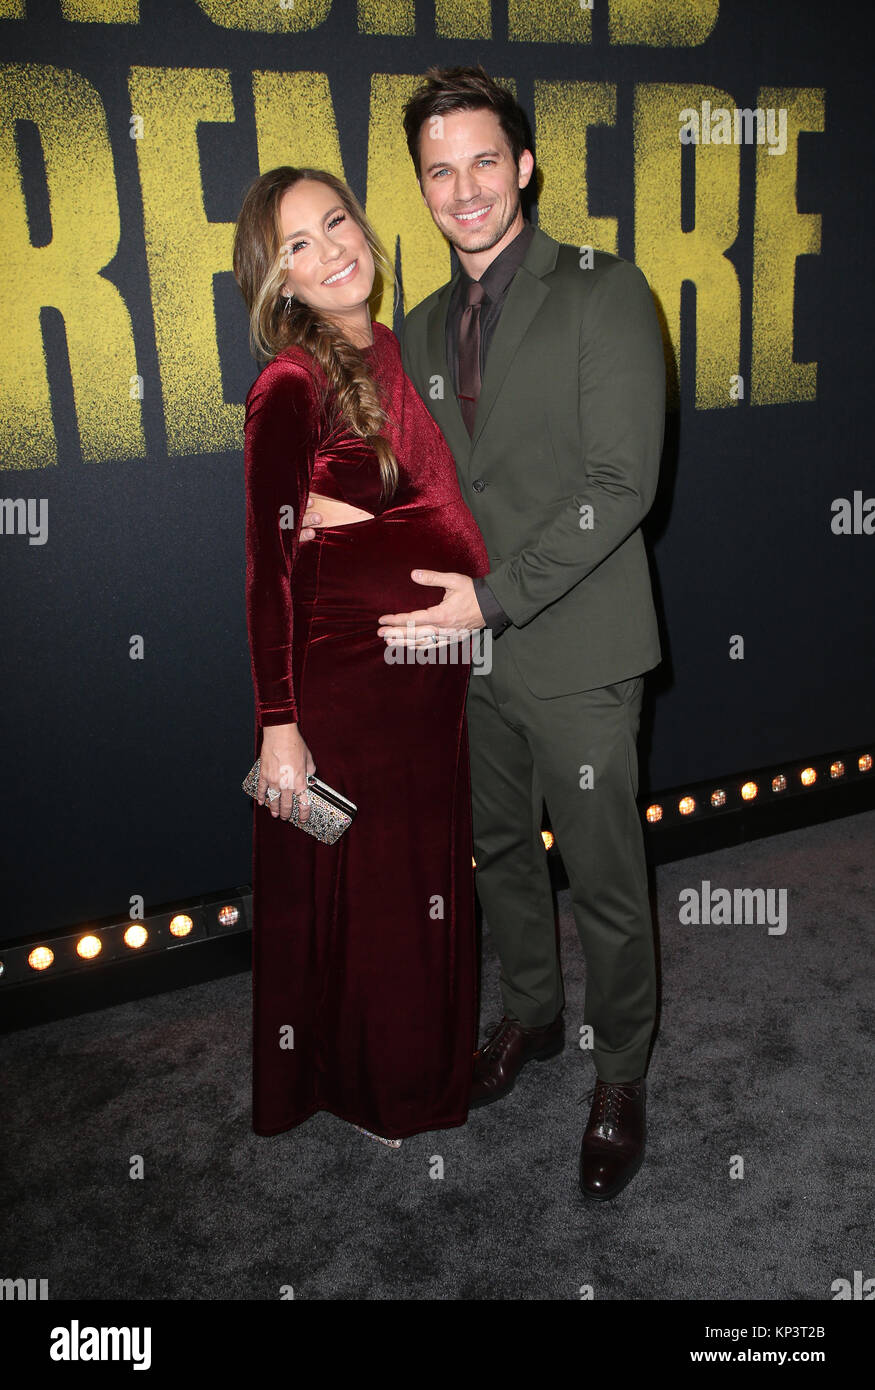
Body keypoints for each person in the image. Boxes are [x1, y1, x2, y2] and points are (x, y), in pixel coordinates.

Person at [302, 67, 666, 1199]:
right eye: (437, 168)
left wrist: (493, 597)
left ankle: (620, 1073)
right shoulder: (408, 327)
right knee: (499, 851)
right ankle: (533, 1018)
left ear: (524, 167)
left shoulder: (604, 290)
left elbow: (622, 485)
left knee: (603, 875)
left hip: (575, 645)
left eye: (482, 161)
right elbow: (409, 481)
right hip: (460, 654)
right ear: (420, 184)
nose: (462, 188)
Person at [233, 166, 490, 1146]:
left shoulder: (395, 346)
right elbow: (267, 571)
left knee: (424, 879)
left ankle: (419, 1066)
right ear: (279, 281)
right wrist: (279, 726)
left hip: (426, 686)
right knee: (377, 894)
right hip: (346, 689)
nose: (331, 248)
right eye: (297, 244)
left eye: (335, 220)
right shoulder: (288, 384)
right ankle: (380, 1092)